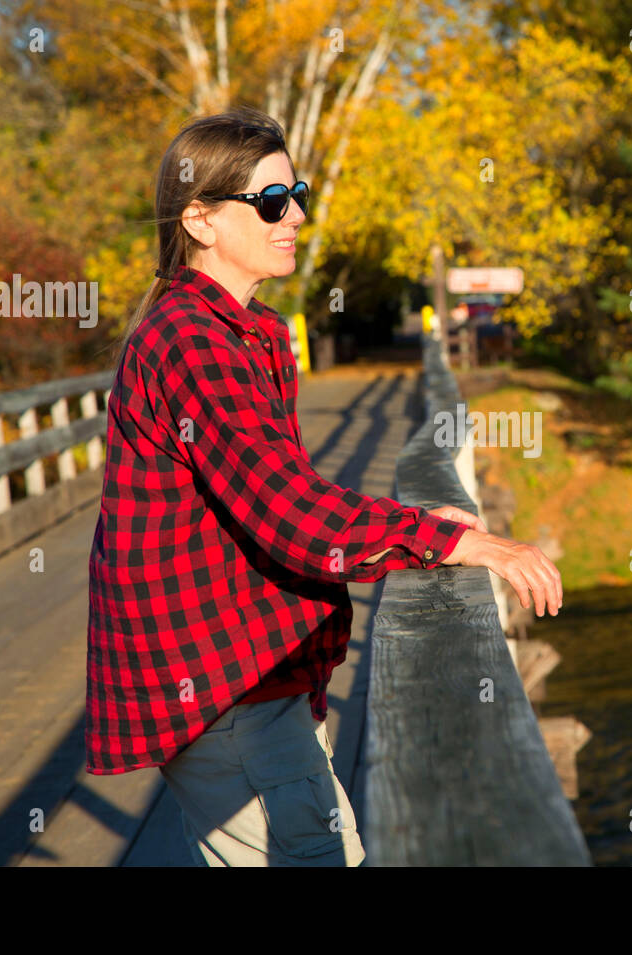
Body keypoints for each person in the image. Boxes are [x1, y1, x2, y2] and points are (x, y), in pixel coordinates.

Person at [84, 107, 562, 867]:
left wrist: (415, 523)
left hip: (249, 673)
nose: (297, 214)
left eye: (296, 192)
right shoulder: (192, 341)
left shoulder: (242, 330)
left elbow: (273, 493)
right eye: (272, 201)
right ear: (201, 219)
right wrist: (452, 538)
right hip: (225, 688)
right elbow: (286, 512)